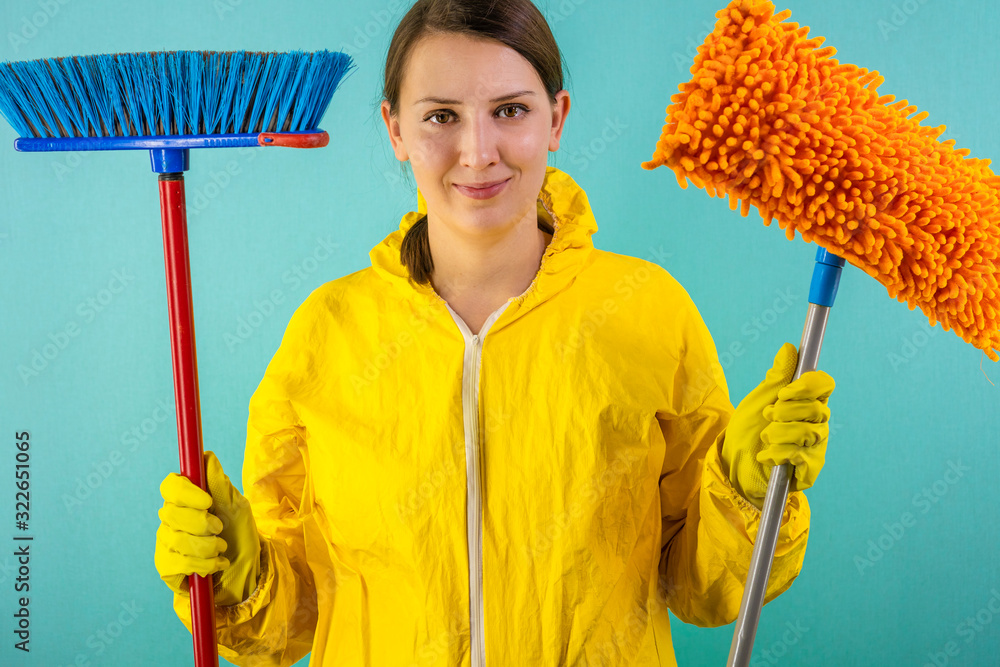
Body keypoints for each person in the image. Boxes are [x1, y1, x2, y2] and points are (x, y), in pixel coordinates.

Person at [154, 0, 836, 665]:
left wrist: (748, 491)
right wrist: (236, 578)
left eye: (510, 110)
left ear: (556, 118)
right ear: (395, 129)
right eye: (441, 116)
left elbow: (703, 590)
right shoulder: (328, 332)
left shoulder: (648, 310)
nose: (478, 153)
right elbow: (291, 625)